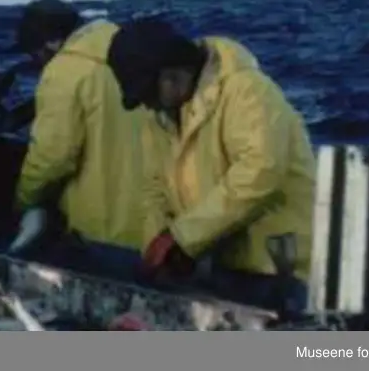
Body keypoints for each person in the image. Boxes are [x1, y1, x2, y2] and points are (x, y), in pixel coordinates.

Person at [104, 18, 316, 313]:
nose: (146, 104)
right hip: (221, 266)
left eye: (148, 93)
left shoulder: (247, 90)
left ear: (172, 74)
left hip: (278, 270)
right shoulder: (160, 118)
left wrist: (182, 239)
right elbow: (153, 188)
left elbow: (259, 172)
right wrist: (158, 248)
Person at [9, 0, 167, 282]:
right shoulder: (132, 53)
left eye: (35, 54)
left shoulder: (65, 71)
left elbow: (52, 157)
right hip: (161, 229)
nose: (37, 63)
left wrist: (23, 201)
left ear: (52, 44)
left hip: (103, 233)